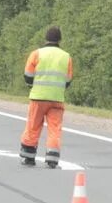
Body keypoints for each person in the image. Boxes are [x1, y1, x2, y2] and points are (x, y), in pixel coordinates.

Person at [19, 26, 73, 168]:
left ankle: (29, 157)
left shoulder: (36, 54)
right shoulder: (66, 57)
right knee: (55, 128)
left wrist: (32, 86)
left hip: (38, 97)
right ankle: (52, 159)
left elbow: (28, 75)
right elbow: (68, 80)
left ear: (46, 38)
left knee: (33, 126)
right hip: (56, 99)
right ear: (60, 39)